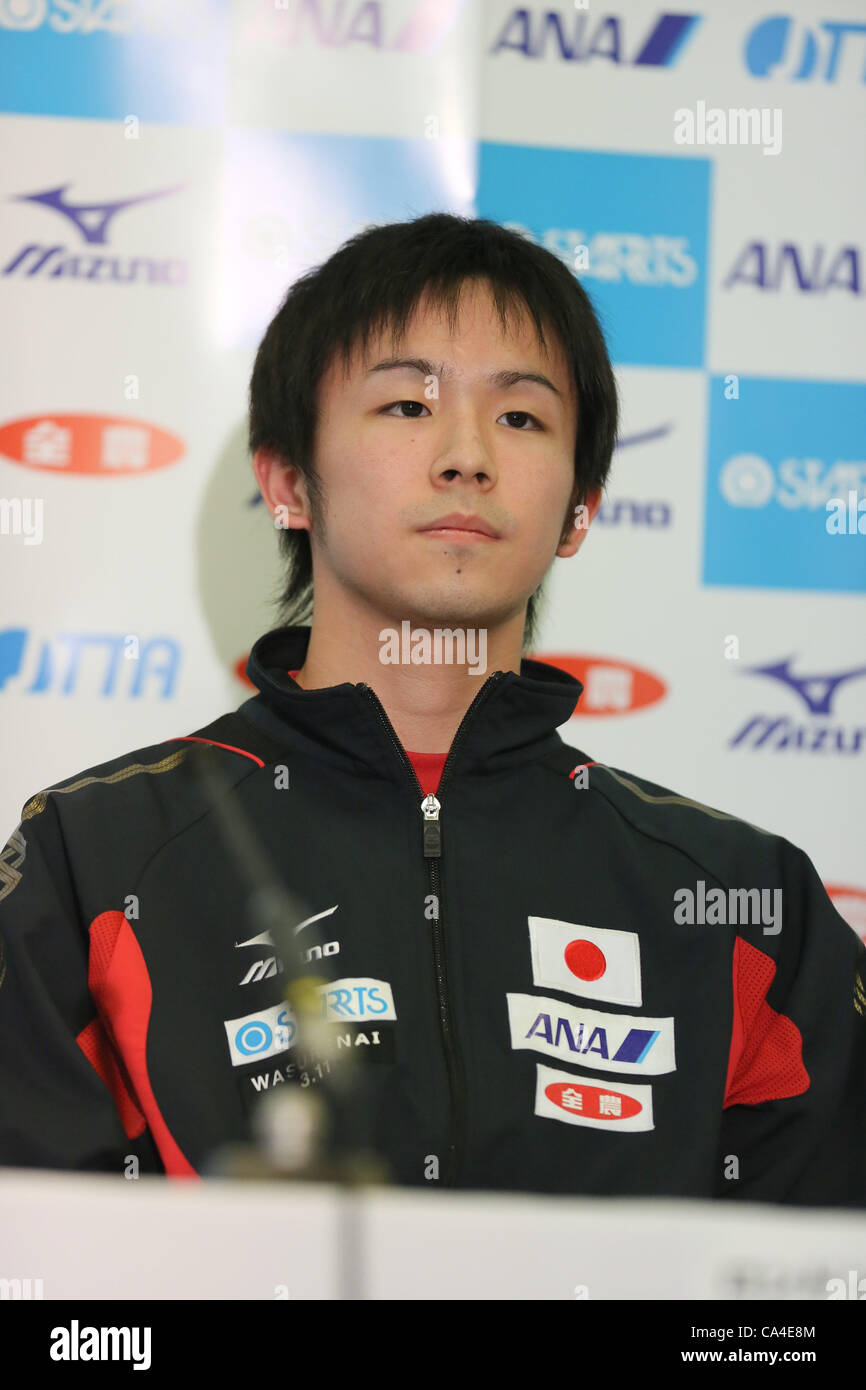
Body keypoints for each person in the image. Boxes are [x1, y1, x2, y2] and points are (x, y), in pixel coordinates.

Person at [1, 213, 863, 1204]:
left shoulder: (745, 903)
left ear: (578, 509)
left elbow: (789, 1319)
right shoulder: (92, 859)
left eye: (521, 417)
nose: (465, 456)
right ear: (287, 481)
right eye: (407, 407)